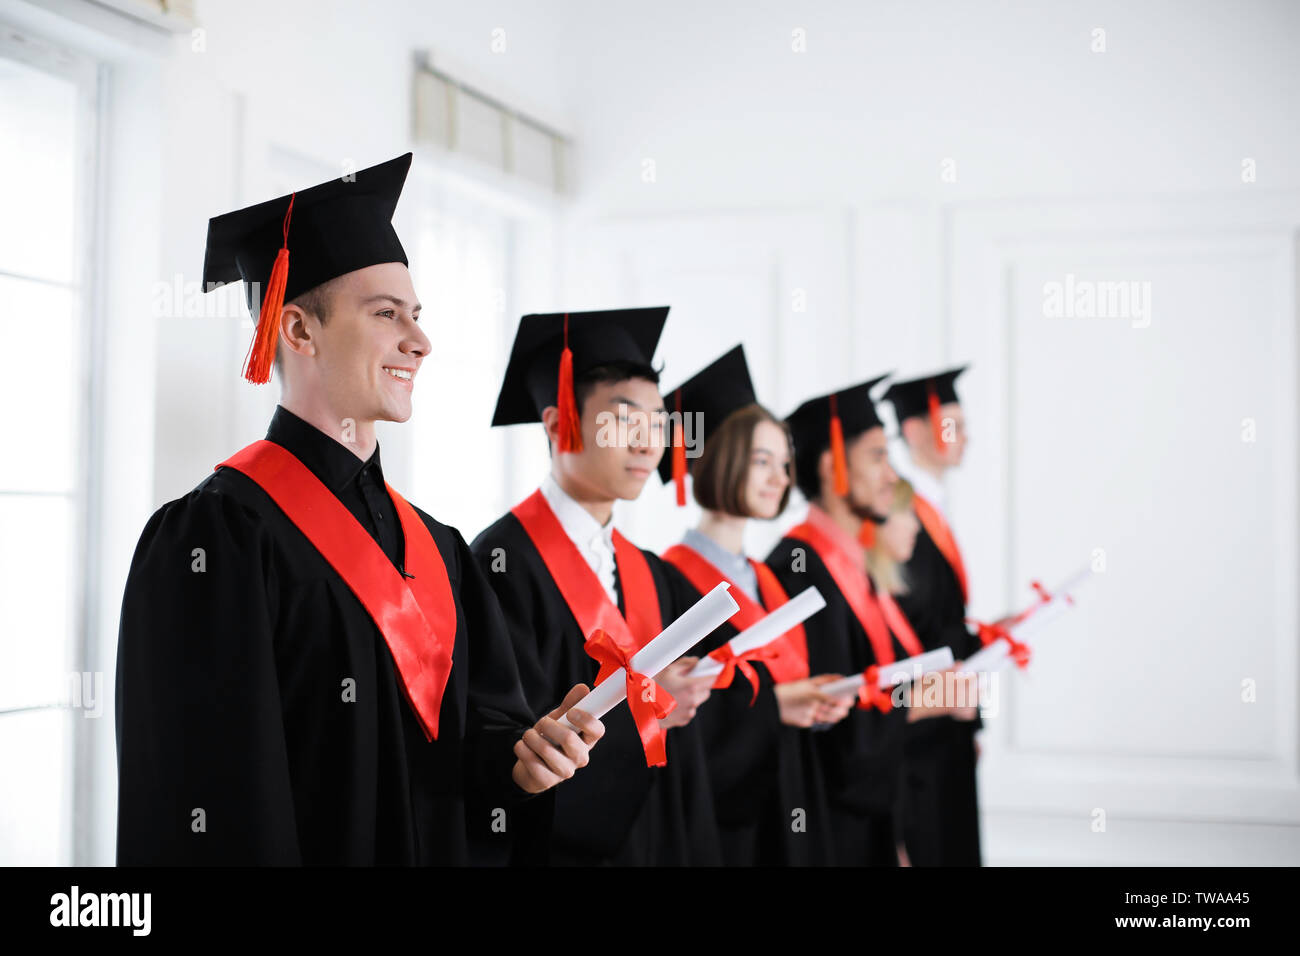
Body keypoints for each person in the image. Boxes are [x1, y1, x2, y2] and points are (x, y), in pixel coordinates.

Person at [114, 154, 604, 866]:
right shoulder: (217, 537)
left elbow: (476, 750)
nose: (420, 341)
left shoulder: (438, 548)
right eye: (385, 314)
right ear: (299, 331)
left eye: (417, 315)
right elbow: (213, 802)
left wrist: (525, 760)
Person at [470, 307, 721, 866]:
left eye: (658, 424)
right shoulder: (498, 562)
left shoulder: (652, 571)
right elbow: (504, 740)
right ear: (560, 425)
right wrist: (646, 712)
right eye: (624, 421)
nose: (648, 443)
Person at [657, 344, 853, 866]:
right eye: (762, 461)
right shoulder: (669, 581)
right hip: (727, 828)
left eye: (784, 465)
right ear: (717, 457)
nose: (780, 479)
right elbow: (682, 720)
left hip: (791, 796)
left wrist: (815, 705)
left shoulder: (769, 578)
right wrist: (774, 706)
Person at [765, 375, 953, 865]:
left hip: (873, 822)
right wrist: (922, 703)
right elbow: (831, 735)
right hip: (831, 830)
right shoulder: (799, 570)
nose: (892, 475)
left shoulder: (850, 564)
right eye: (877, 456)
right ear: (832, 467)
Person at [882, 366, 983, 866]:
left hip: (949, 721)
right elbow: (906, 627)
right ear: (916, 429)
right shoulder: (899, 514)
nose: (965, 437)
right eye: (952, 425)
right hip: (917, 727)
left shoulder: (933, 509)